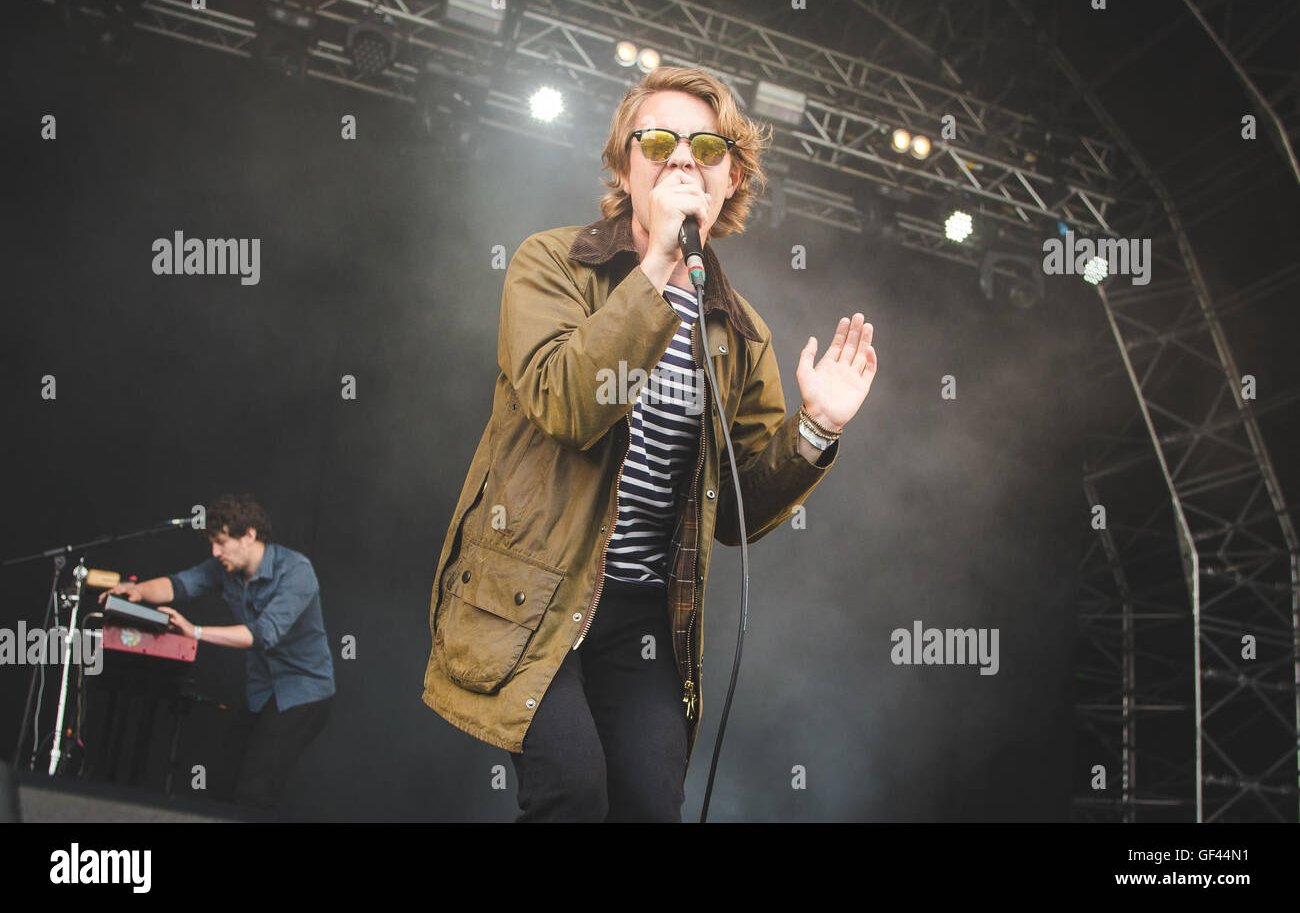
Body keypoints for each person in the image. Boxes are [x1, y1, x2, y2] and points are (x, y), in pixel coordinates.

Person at [422, 65, 878, 822]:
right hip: (532, 596)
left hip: (644, 621)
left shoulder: (739, 331)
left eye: (705, 146)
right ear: (624, 165)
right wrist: (659, 269)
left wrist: (817, 428)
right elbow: (567, 403)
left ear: (731, 179)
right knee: (571, 790)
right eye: (658, 140)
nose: (680, 159)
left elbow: (734, 514)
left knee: (647, 808)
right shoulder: (553, 265)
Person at [100, 493, 334, 812]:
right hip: (263, 692)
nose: (215, 551)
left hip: (304, 693)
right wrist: (138, 591)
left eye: (221, 542)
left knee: (255, 792)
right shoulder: (222, 568)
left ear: (249, 535)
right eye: (212, 542)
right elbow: (180, 584)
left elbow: (263, 634)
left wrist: (194, 632)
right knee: (221, 785)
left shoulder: (296, 571)